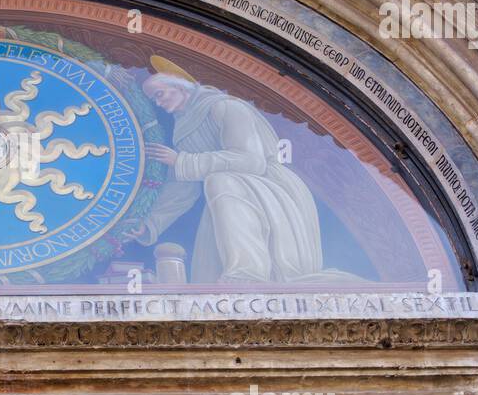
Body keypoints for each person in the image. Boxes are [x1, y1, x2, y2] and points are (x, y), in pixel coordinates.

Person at [130, 55, 346, 284]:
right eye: (154, 99)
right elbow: (184, 188)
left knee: (219, 181)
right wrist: (150, 224)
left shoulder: (225, 107)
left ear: (180, 86)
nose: (158, 102)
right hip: (230, 200)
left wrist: (183, 161)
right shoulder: (184, 128)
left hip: (268, 191)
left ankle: (248, 274)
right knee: (219, 186)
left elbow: (251, 161)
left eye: (160, 94)